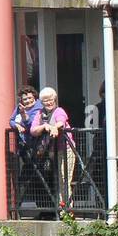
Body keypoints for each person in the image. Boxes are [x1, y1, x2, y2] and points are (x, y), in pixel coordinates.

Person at [30, 86, 77, 214]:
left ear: (55, 99)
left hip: (66, 149)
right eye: (45, 100)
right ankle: (60, 207)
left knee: (64, 177)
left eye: (51, 99)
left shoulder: (59, 111)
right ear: (42, 102)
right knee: (55, 179)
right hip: (50, 151)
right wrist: (45, 126)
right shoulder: (40, 114)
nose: (49, 102)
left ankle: (67, 209)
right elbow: (33, 130)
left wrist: (54, 127)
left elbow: (61, 122)